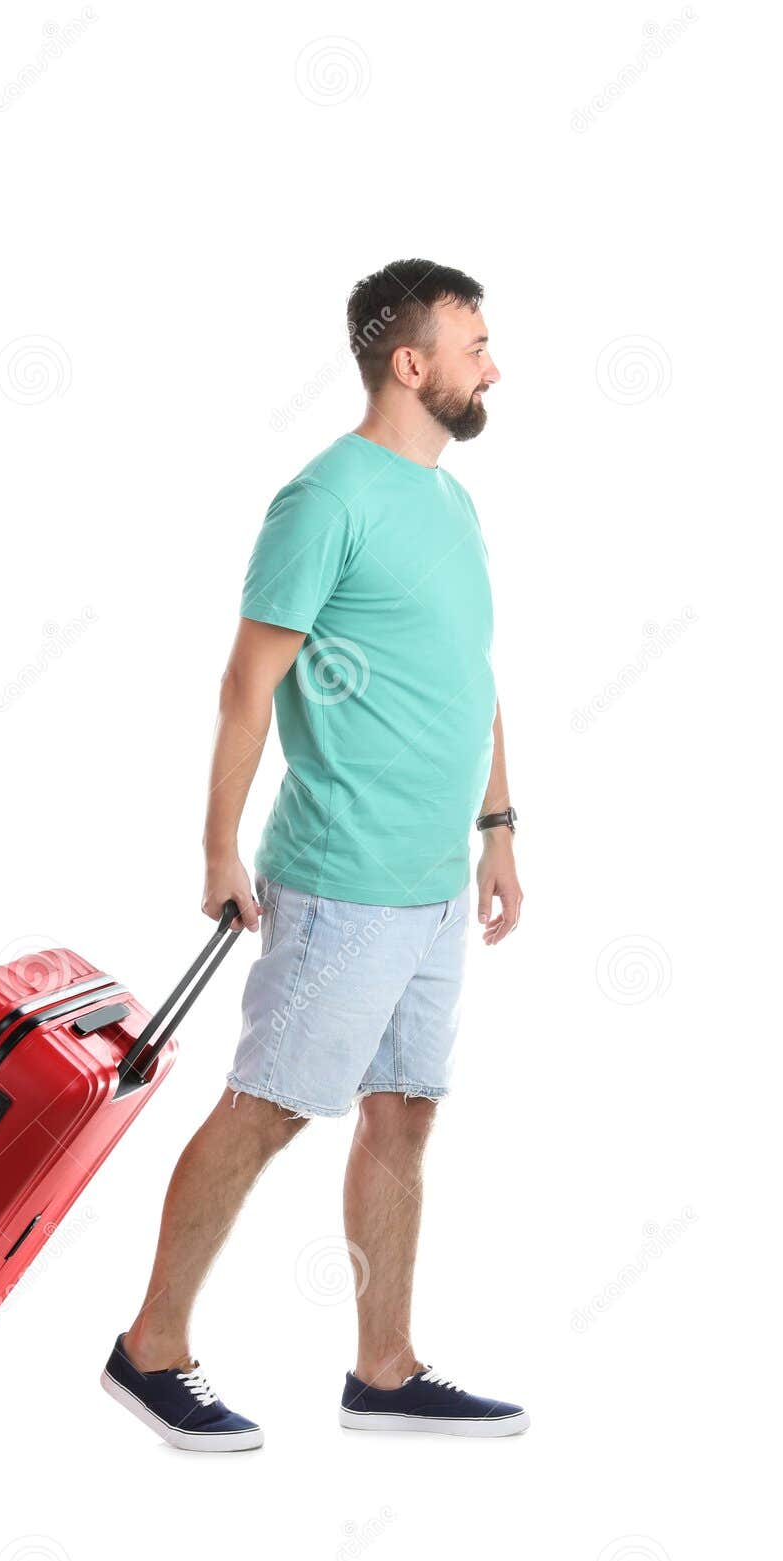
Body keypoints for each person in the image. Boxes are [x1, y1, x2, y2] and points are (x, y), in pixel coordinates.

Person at [101, 260, 528, 1450]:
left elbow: (468, 675)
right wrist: (216, 848)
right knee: (267, 1111)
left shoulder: (449, 501)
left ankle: (383, 1369)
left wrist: (495, 828)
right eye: (475, 344)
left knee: (402, 1114)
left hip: (434, 884)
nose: (492, 364)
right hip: (341, 882)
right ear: (412, 363)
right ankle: (150, 1350)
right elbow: (247, 685)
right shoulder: (323, 499)